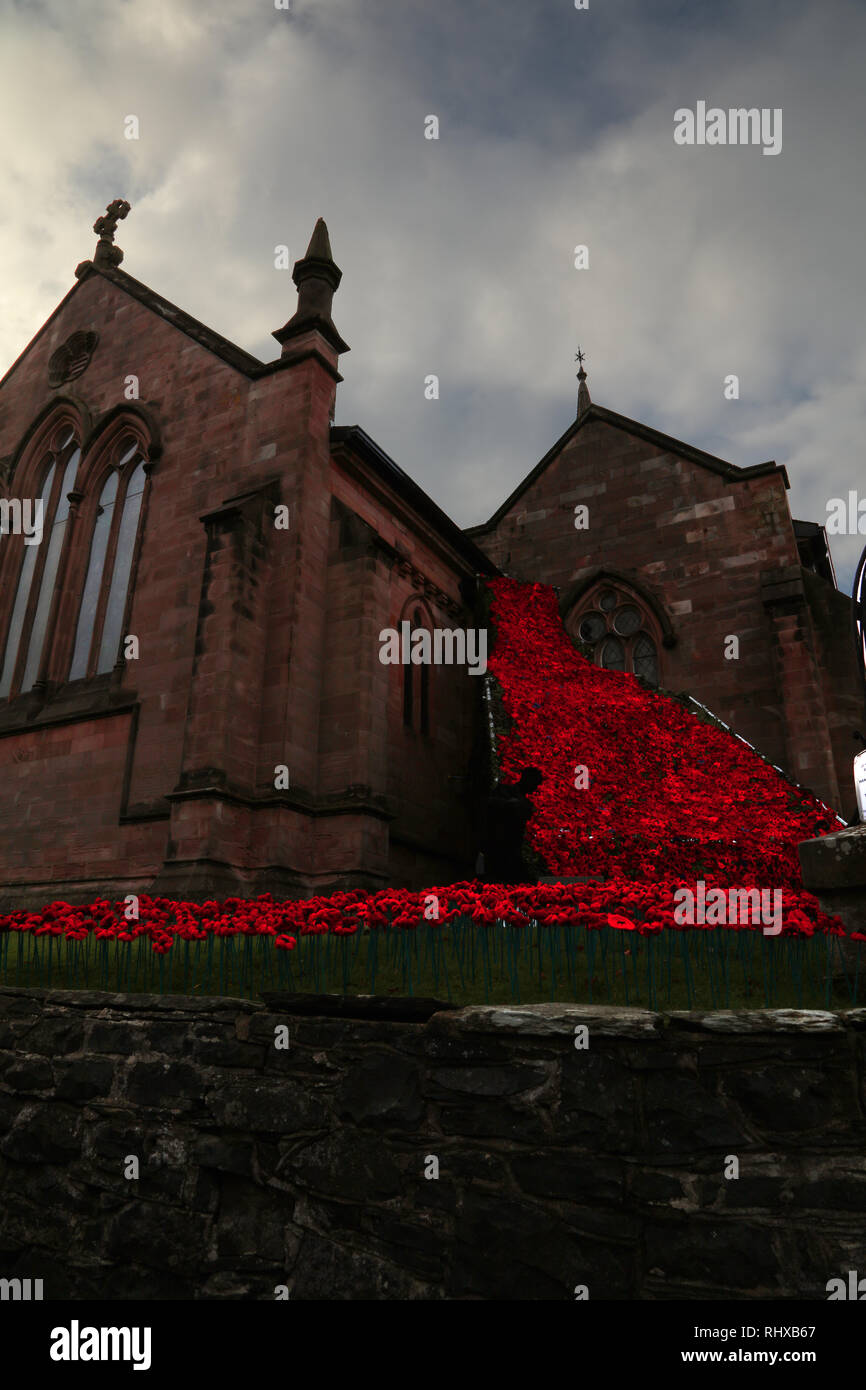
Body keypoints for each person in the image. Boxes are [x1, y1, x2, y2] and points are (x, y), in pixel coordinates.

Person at [476, 767, 544, 885]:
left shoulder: (526, 803)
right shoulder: (504, 790)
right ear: (527, 779)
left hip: (511, 848)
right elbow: (489, 804)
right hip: (497, 844)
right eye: (535, 783)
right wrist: (510, 805)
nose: (535, 788)